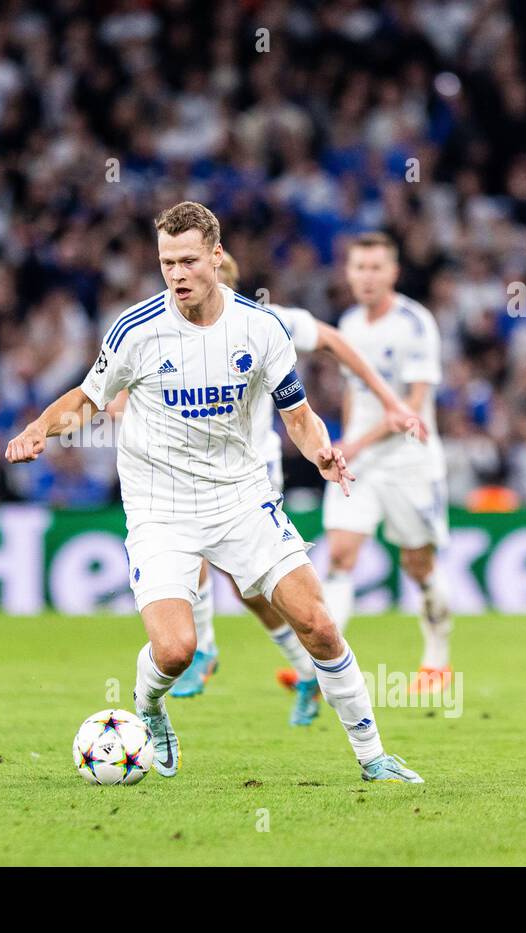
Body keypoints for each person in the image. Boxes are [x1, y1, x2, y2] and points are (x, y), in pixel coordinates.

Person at [5, 201, 423, 783]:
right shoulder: (136, 330)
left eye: (187, 261)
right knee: (176, 651)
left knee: (321, 625)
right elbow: (85, 399)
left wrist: (322, 451)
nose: (176, 274)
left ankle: (374, 756)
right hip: (160, 509)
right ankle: (149, 709)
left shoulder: (262, 327)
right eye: (166, 262)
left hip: (241, 498)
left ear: (216, 256)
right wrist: (37, 429)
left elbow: (298, 416)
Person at [170, 251, 424, 729]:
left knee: (245, 577)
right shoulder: (166, 327)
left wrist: (388, 399)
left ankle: (212, 651)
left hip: (253, 466)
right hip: (196, 468)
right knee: (231, 574)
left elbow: (333, 341)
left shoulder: (266, 322)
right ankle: (282, 665)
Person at [321, 233, 454, 694]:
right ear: (348, 272)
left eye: (376, 267)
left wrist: (355, 445)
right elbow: (351, 393)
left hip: (408, 462)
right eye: (359, 267)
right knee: (339, 554)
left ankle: (437, 656)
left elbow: (412, 409)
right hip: (360, 463)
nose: (367, 276)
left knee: (417, 565)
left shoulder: (415, 324)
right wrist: (343, 443)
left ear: (393, 272)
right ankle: (324, 668)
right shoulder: (348, 323)